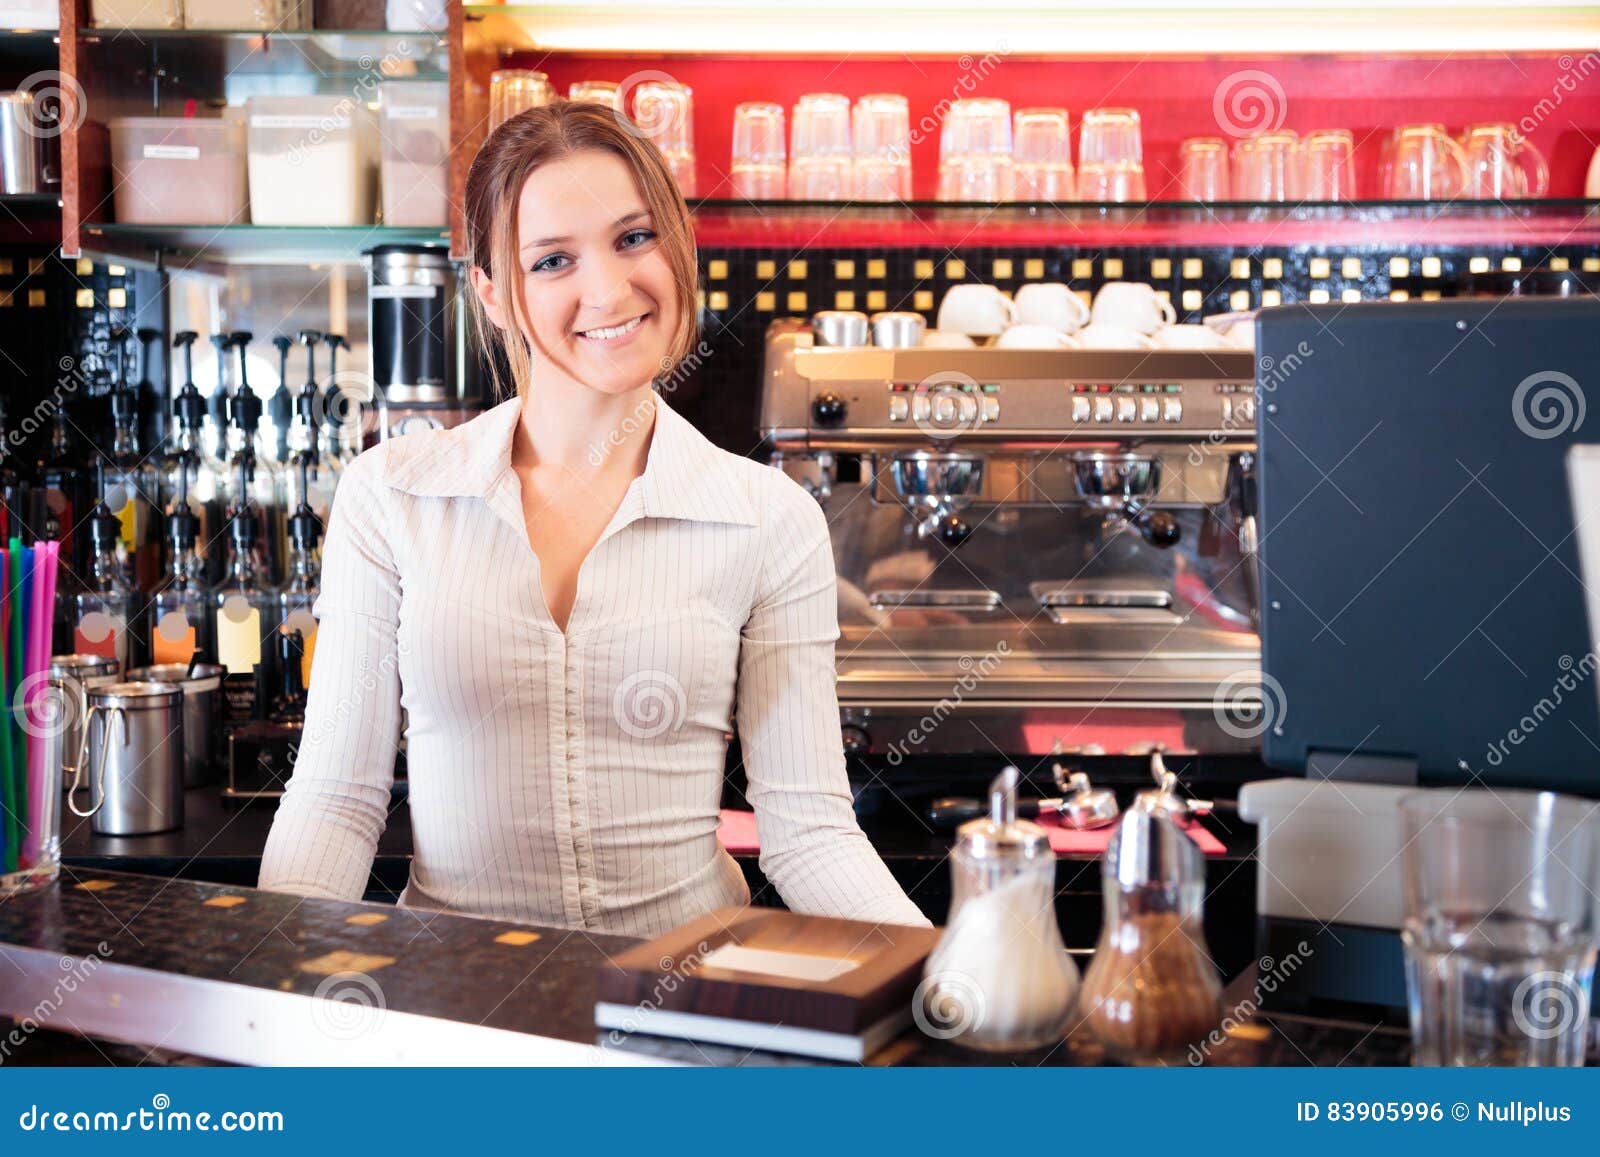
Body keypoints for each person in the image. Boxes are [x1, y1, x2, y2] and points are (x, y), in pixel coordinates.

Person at [259, 102, 928, 936]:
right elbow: (335, 800)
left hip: (686, 993)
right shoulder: (391, 496)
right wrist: (267, 978)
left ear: (676, 246)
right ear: (493, 294)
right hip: (456, 995)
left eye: (634, 238)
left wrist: (940, 983)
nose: (609, 290)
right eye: (552, 260)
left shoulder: (770, 518)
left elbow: (811, 833)